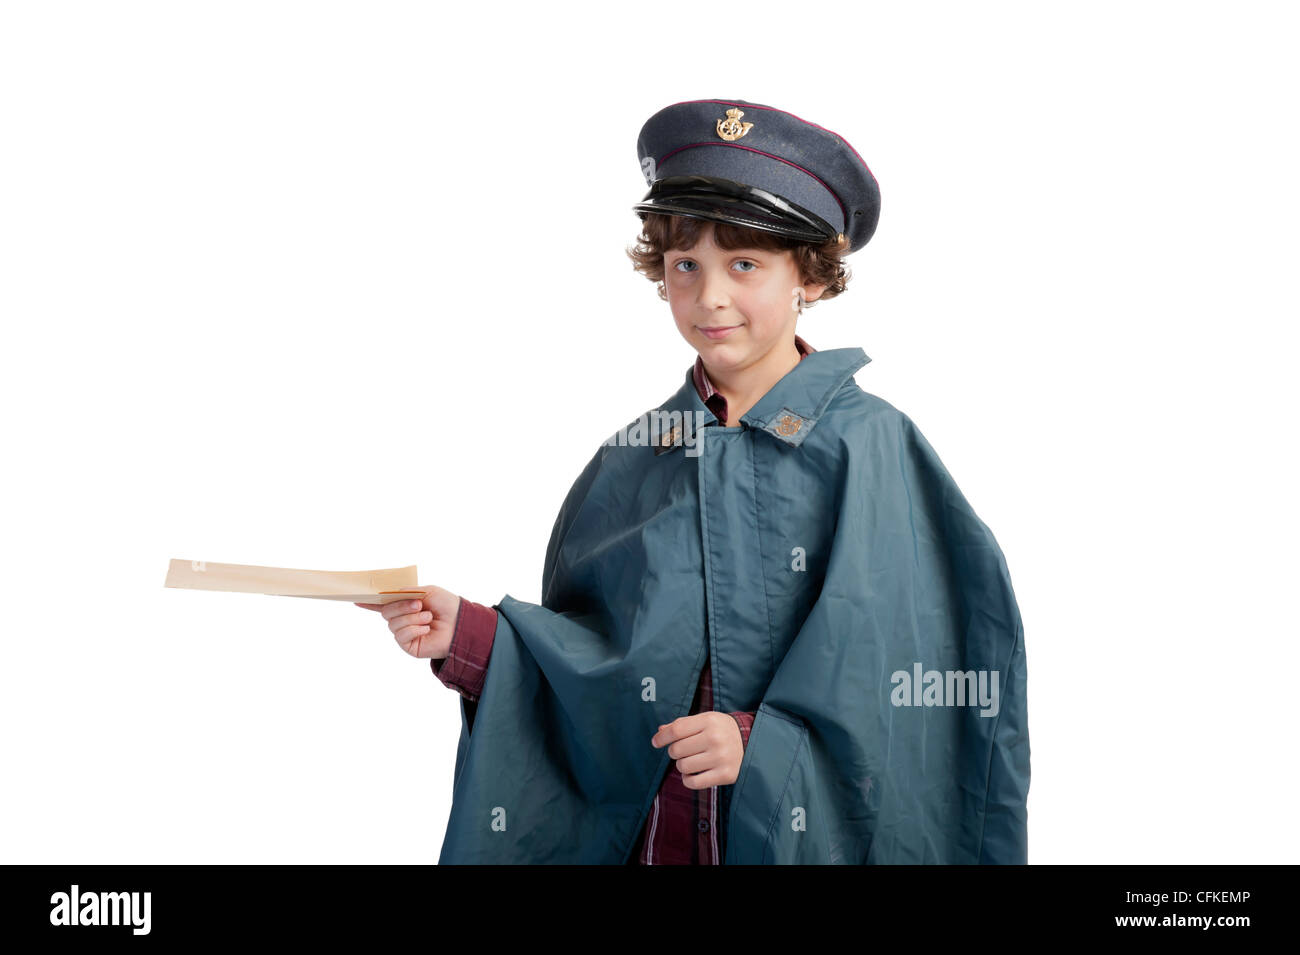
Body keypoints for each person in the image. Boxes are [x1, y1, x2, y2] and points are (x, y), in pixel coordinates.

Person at [358, 98, 1030, 864]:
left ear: (810, 274)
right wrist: (473, 636)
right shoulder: (637, 456)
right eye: (687, 266)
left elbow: (928, 686)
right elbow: (603, 665)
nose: (710, 296)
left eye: (744, 264)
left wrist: (763, 747)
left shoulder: (873, 448)